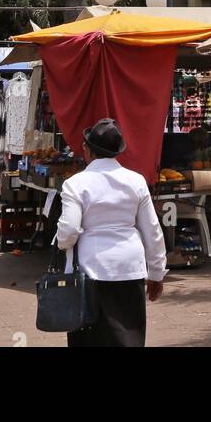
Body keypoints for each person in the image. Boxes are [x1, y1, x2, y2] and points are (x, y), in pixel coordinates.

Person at [54, 118, 166, 348]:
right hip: (129, 267)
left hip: (90, 269)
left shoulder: (75, 184)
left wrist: (61, 245)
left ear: (88, 149)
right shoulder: (136, 181)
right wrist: (156, 273)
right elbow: (152, 230)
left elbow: (69, 230)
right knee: (128, 337)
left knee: (89, 340)